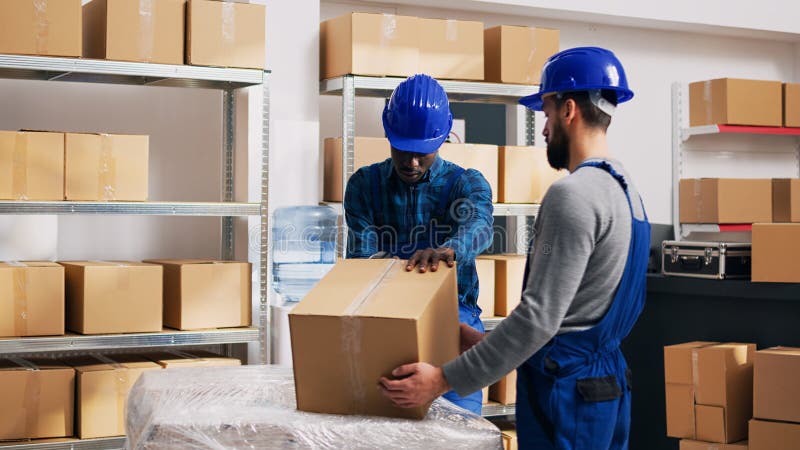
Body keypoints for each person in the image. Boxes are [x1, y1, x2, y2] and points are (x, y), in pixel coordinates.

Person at [378, 47, 650, 450]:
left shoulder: (572, 195)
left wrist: (441, 379)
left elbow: (540, 318)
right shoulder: (627, 191)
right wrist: (489, 343)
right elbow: (578, 311)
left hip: (566, 393)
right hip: (606, 388)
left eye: (546, 113)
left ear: (569, 110)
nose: (543, 129)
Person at [344, 74, 494, 415]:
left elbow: (480, 225)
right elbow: (362, 258)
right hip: (385, 314)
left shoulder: (465, 183)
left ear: (441, 138)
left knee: (459, 429)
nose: (412, 163)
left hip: (453, 319)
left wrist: (451, 249)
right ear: (388, 133)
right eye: (403, 150)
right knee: (384, 427)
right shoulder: (364, 186)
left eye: (422, 153)